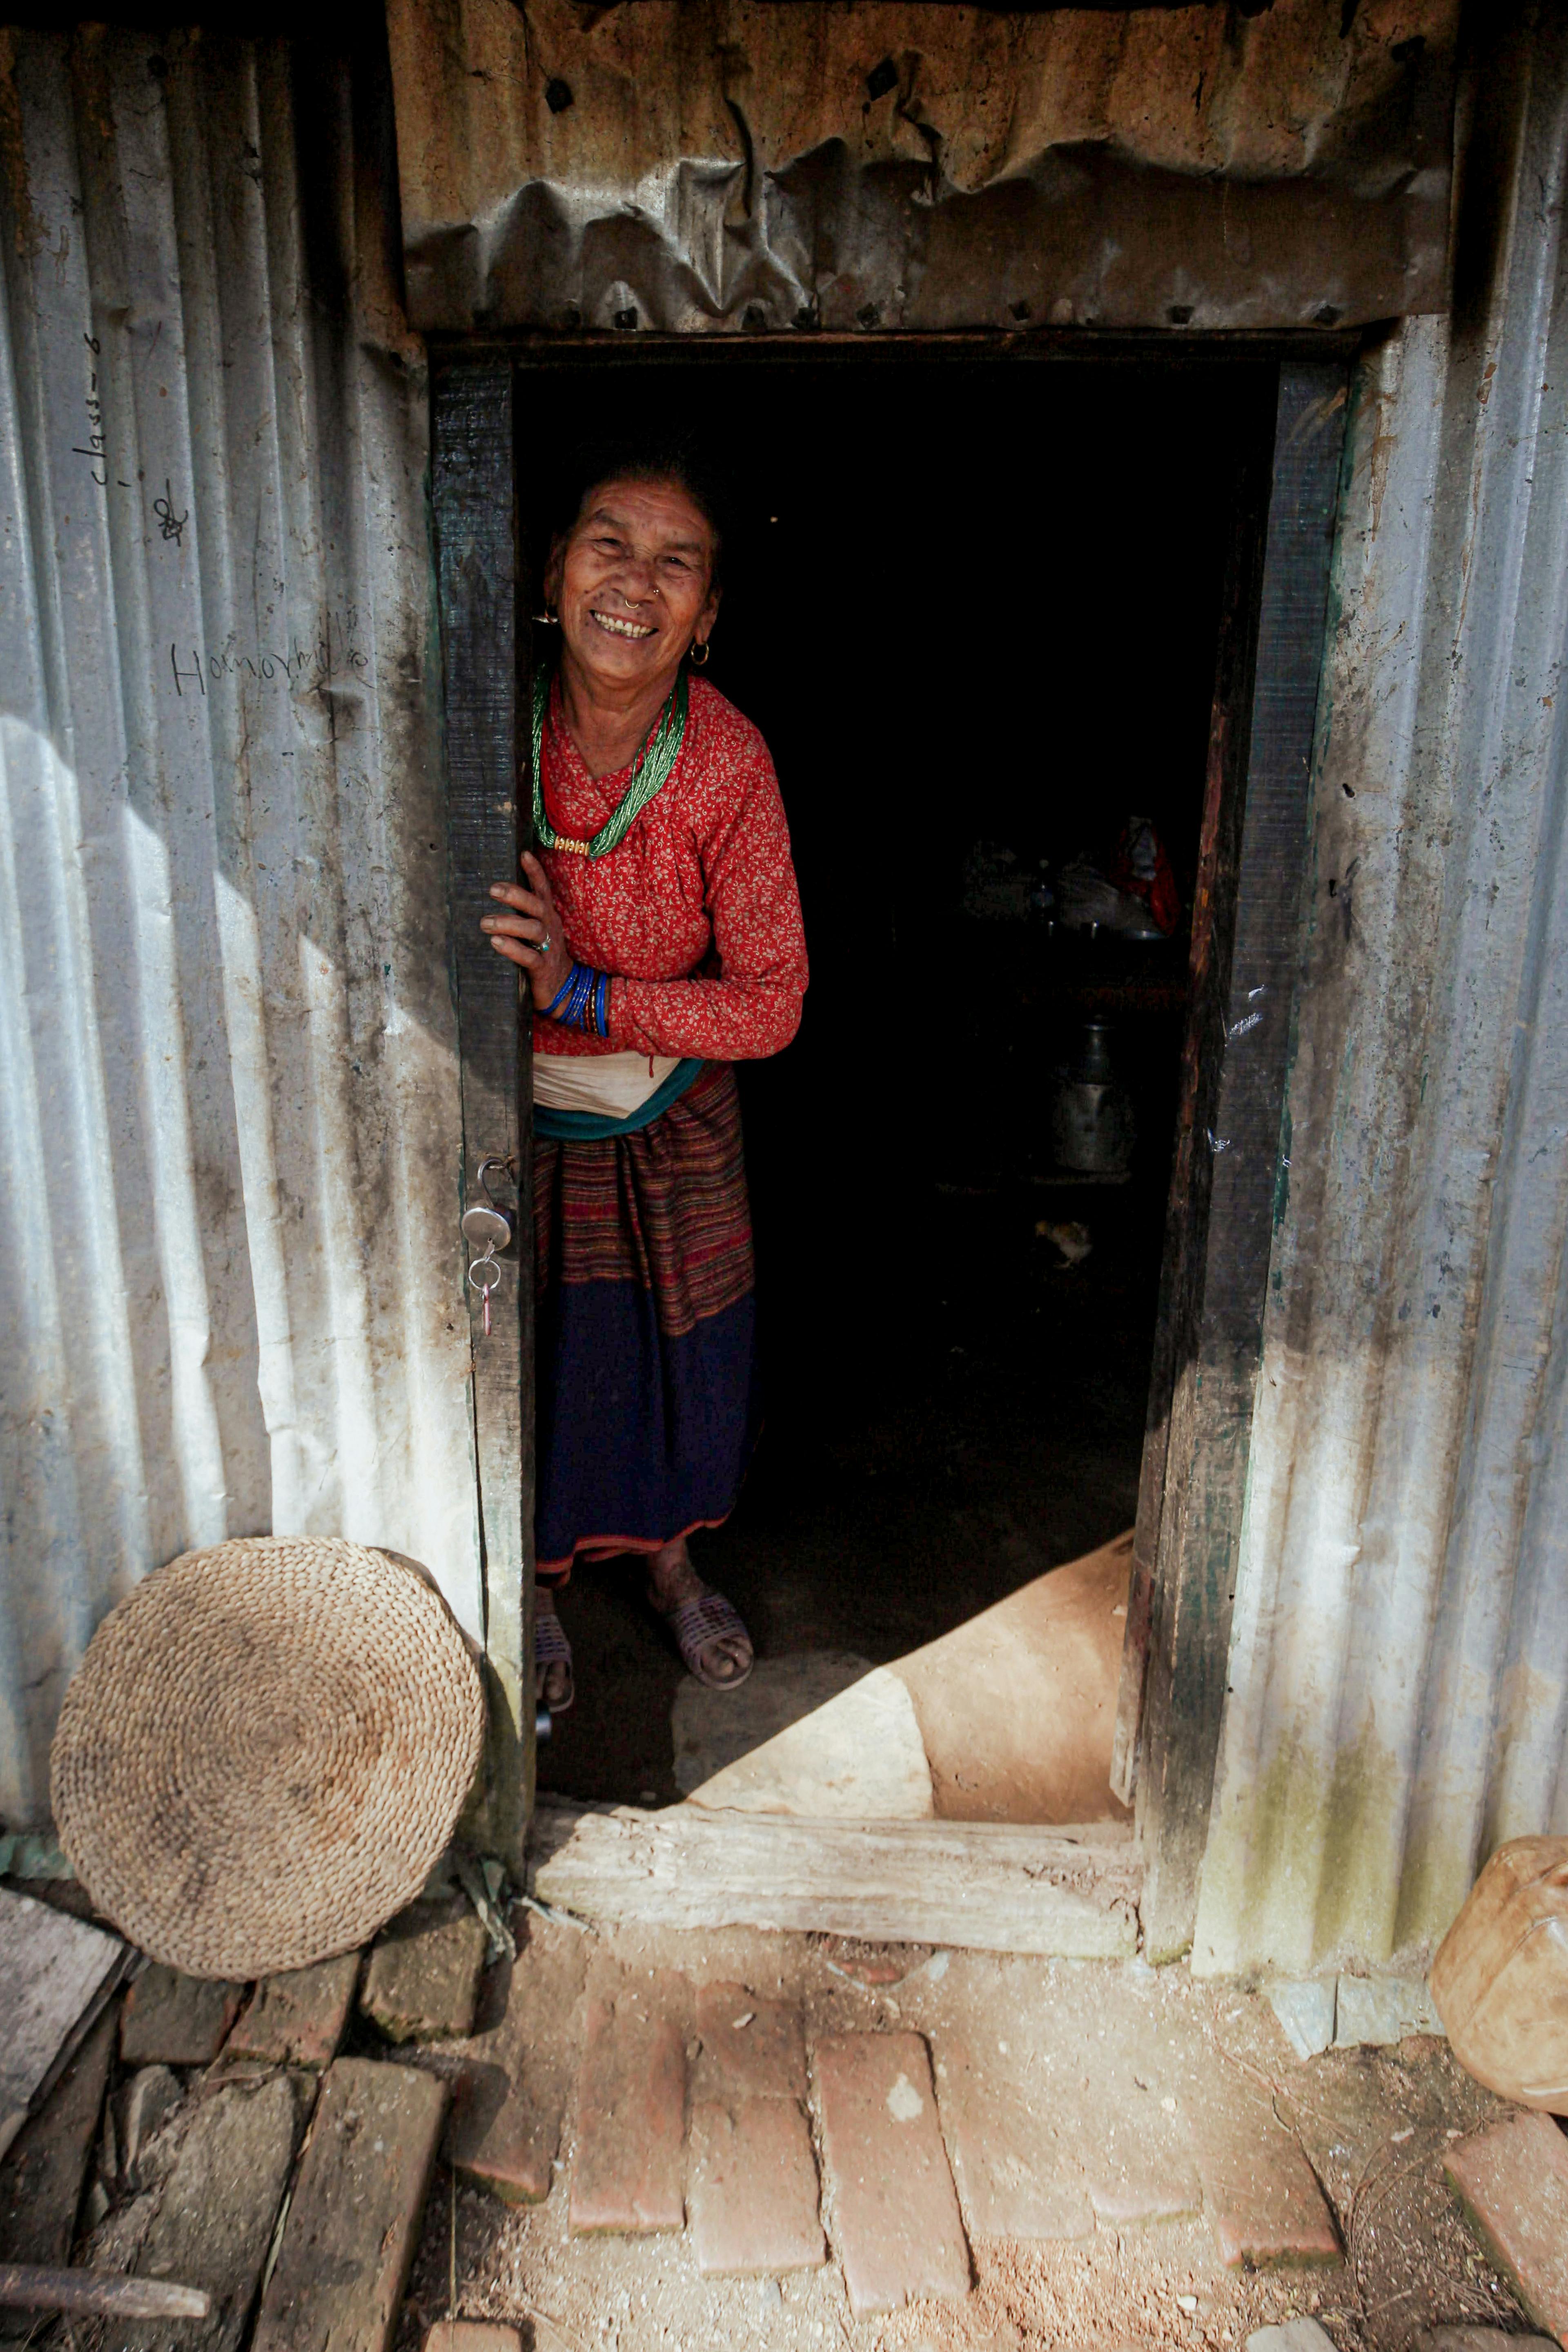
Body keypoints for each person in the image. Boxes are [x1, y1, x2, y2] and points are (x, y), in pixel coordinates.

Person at [481, 443, 807, 1713]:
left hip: (669, 1108)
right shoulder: (482, 718)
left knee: (678, 1355)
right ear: (555, 574)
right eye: (608, 544)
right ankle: (544, 1586)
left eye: (678, 564)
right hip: (512, 1111)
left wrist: (585, 995)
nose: (636, 582)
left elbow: (774, 1004)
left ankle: (670, 1564)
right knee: (547, 1355)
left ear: (708, 617)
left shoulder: (726, 764)